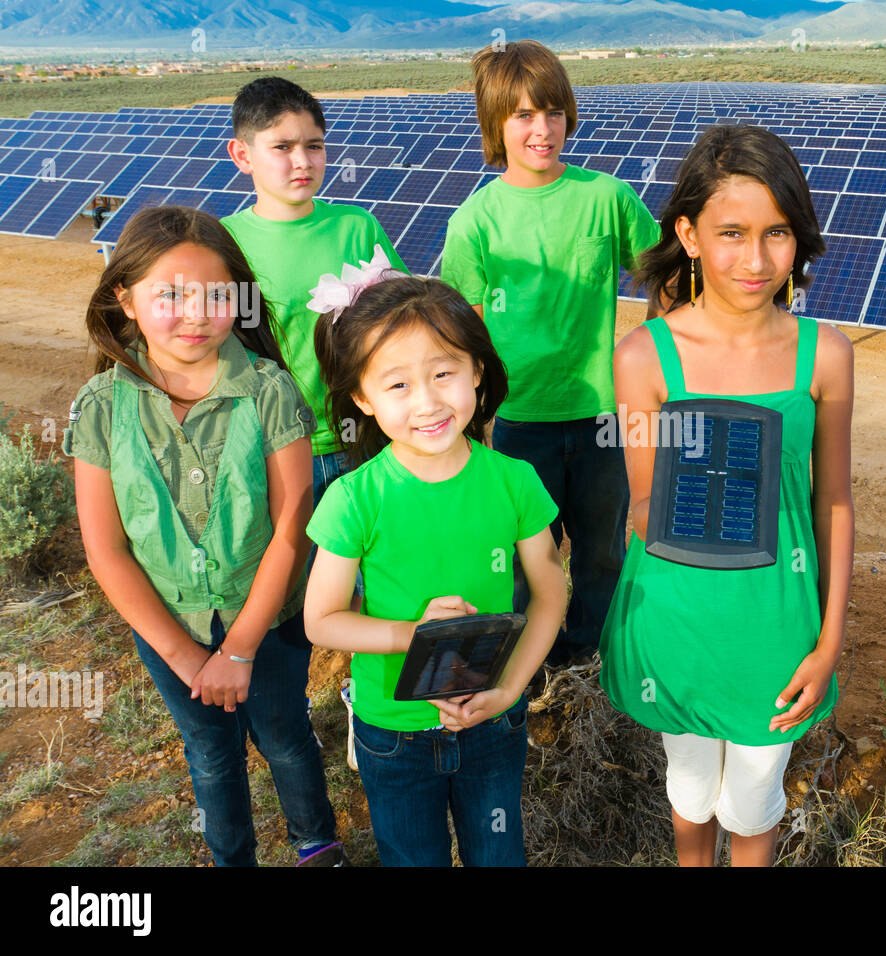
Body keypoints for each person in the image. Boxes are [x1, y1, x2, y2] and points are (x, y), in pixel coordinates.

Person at [598, 124, 855, 867]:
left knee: (753, 795)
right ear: (688, 233)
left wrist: (829, 640)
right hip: (676, 622)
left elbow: (832, 503)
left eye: (777, 234)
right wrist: (702, 489)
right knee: (688, 783)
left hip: (776, 625)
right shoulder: (644, 355)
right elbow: (643, 504)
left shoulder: (826, 355)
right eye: (732, 233)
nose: (756, 259)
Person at [63, 205, 344, 867]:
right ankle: (231, 857)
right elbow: (106, 550)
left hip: (266, 619)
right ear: (124, 299)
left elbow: (289, 531)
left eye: (217, 294)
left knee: (283, 734)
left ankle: (316, 843)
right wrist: (188, 659)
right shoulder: (101, 408)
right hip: (169, 628)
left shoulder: (271, 392)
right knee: (211, 755)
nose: (196, 312)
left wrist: (241, 647)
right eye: (170, 294)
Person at [301, 273, 567, 867]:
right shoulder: (354, 498)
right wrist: (410, 634)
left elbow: (550, 592)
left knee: (499, 855)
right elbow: (321, 620)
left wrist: (508, 690)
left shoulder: (513, 481)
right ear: (364, 399)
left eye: (443, 373)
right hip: (393, 731)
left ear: (477, 369)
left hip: (491, 722)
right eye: (398, 384)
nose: (426, 402)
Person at [440, 39, 661, 666]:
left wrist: (647, 350)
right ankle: (521, 672)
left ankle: (593, 670)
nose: (543, 129)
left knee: (601, 553)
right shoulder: (475, 221)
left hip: (599, 418)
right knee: (520, 557)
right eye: (524, 115)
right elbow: (464, 329)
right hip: (517, 424)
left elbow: (663, 275)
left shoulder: (607, 198)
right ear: (496, 124)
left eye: (554, 111)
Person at [221, 75, 408, 509]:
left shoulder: (357, 227)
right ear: (242, 155)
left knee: (369, 571)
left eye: (315, 145)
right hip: (272, 447)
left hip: (363, 440)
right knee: (297, 569)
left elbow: (403, 326)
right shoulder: (222, 244)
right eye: (282, 147)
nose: (302, 161)